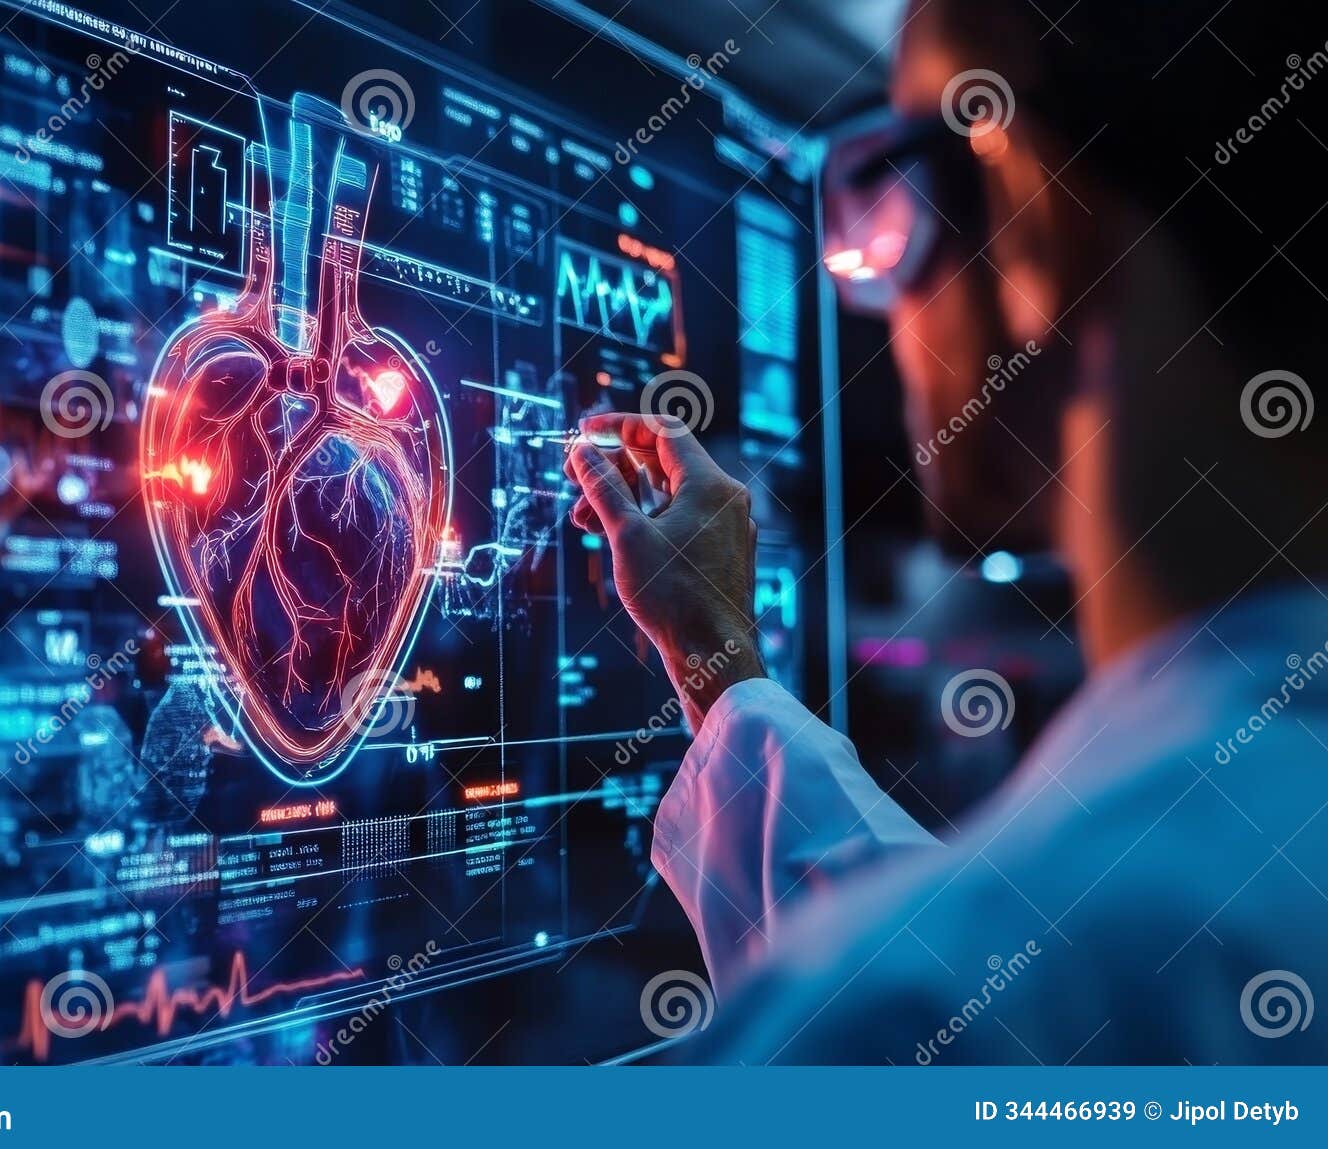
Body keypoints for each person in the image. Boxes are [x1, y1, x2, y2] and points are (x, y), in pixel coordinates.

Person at [566, 0, 1328, 1063]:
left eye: (890, 201)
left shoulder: (929, 1004)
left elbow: (928, 998)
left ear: (1032, 225)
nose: (884, 310)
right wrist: (719, 664)